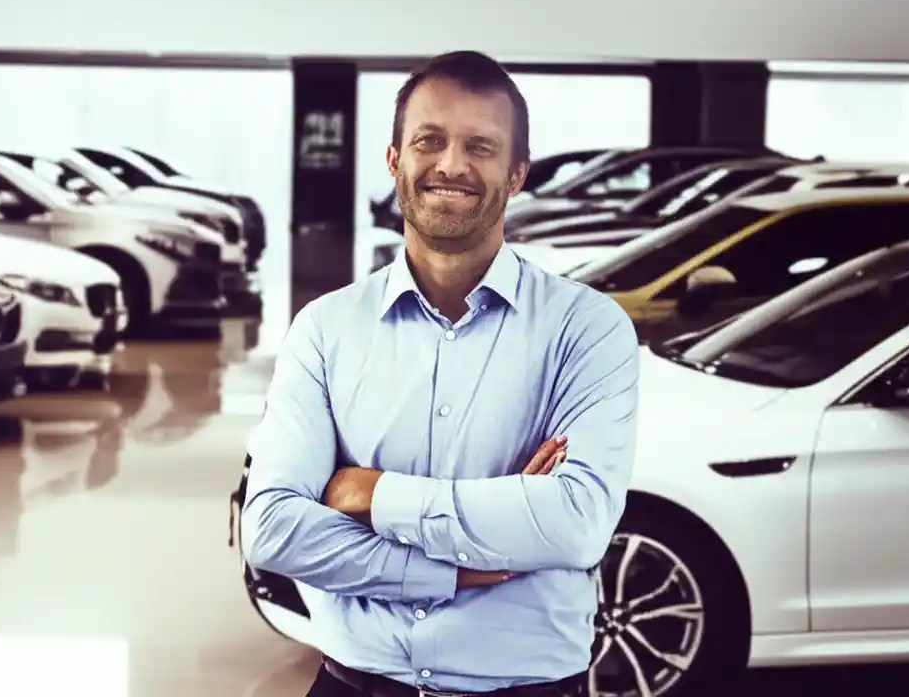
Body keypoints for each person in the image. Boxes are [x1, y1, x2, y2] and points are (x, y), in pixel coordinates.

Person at [241, 50, 640, 697]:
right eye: (430, 140)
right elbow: (274, 531)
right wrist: (456, 566)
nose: (451, 164)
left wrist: (371, 494)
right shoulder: (325, 328)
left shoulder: (586, 328)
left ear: (517, 173)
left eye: (480, 146)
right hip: (354, 682)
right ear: (394, 159)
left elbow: (575, 521)